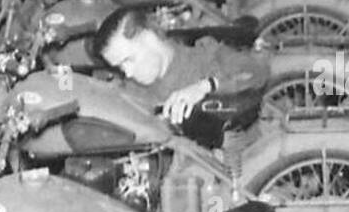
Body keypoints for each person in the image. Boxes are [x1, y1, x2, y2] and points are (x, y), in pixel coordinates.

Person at [94, 7, 269, 124]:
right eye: (120, 67)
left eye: (128, 60)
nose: (128, 73)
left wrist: (206, 86)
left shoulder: (204, 56)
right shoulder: (132, 90)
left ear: (150, 38)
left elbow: (256, 72)